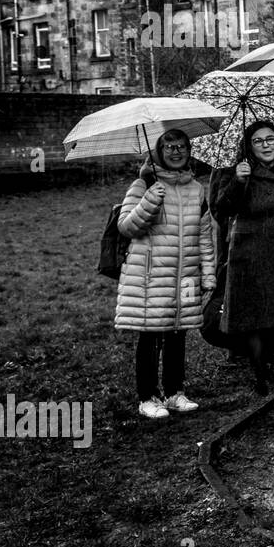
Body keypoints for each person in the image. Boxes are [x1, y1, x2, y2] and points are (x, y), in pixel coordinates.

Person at [115, 130, 216, 419]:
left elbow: (204, 235)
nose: (176, 151)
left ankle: (174, 392)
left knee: (177, 333)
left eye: (181, 146)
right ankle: (147, 397)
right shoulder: (144, 184)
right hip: (152, 275)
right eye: (169, 146)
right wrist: (149, 200)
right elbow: (126, 227)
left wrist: (208, 274)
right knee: (150, 335)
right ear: (159, 152)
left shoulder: (196, 189)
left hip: (186, 275)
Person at [213, 120, 274, 394]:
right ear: (249, 146)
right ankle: (260, 373)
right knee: (253, 317)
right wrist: (238, 181)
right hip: (249, 255)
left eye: (270, 139)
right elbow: (221, 209)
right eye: (258, 141)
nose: (266, 145)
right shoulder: (238, 170)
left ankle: (267, 363)